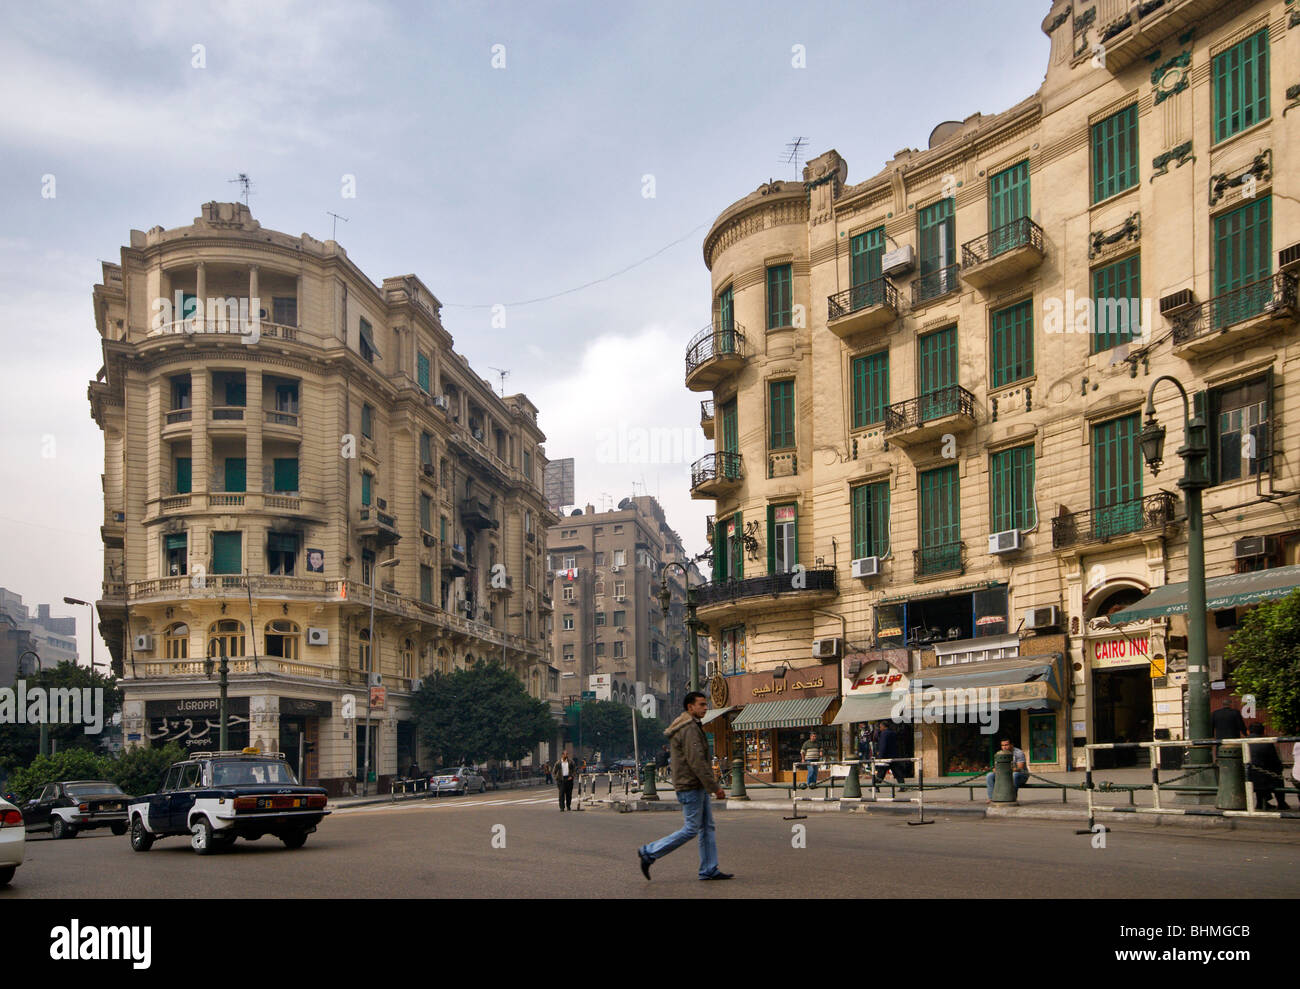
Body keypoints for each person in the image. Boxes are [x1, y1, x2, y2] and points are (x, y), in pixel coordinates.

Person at [637, 691, 731, 881]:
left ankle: (709, 869)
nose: (706, 708)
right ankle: (649, 852)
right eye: (702, 705)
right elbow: (697, 761)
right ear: (690, 707)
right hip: (690, 786)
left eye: (706, 704)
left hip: (696, 785)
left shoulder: (692, 725)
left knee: (707, 827)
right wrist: (715, 787)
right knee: (691, 828)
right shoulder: (688, 728)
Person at [1245, 724, 1289, 810]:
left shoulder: (1242, 743)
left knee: (1259, 773)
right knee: (1276, 776)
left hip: (1248, 777)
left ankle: (1261, 802)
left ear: (1248, 731)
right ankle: (1281, 803)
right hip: (1263, 779)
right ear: (1264, 731)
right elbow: (1274, 762)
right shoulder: (1266, 743)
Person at [986, 738, 1029, 802]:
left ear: (1012, 745)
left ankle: (1012, 797)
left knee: (1015, 775)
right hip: (1004, 775)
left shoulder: (1018, 753)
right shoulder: (1000, 754)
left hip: (1021, 775)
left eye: (1006, 745)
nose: (1004, 747)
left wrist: (1005, 771)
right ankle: (991, 798)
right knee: (989, 775)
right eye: (1002, 745)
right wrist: (996, 770)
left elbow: (1020, 767)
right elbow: (996, 767)